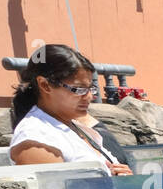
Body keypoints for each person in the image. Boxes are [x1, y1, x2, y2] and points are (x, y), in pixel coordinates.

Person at [9, 44, 132, 175]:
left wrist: (122, 177)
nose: (89, 96)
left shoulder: (71, 125)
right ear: (45, 85)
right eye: (79, 89)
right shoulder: (36, 139)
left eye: (91, 88)